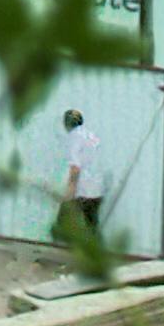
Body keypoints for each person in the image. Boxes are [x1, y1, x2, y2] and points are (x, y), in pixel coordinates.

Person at [58, 103, 105, 244]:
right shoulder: (91, 136)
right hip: (97, 187)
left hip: (82, 188)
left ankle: (63, 255)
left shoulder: (73, 138)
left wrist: (70, 191)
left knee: (62, 221)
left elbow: (75, 167)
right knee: (91, 223)